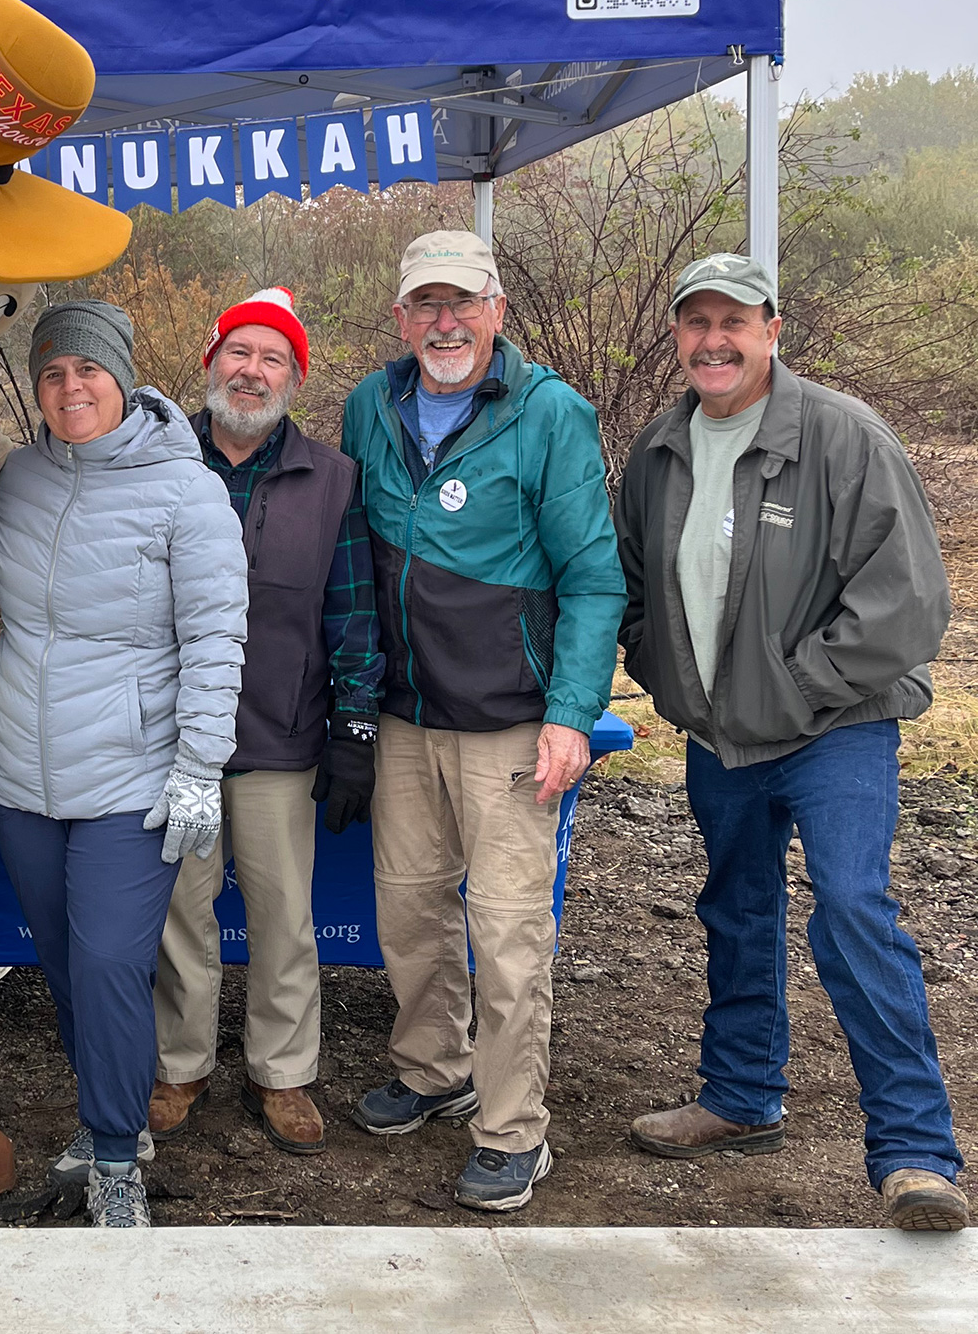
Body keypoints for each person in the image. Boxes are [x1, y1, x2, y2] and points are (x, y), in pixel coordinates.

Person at [616, 254, 967, 1232]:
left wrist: (794, 687)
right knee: (735, 905)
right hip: (717, 736)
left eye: (734, 322)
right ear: (678, 337)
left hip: (833, 727)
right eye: (696, 324)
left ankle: (913, 1156)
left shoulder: (844, 438)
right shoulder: (658, 451)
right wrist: (673, 681)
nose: (713, 341)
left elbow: (907, 604)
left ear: (773, 328)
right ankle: (739, 1098)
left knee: (853, 909)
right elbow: (637, 591)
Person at [340, 230, 624, 1212]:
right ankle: (433, 1071)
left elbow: (591, 578)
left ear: (496, 310)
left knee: (505, 935)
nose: (445, 322)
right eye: (426, 304)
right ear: (400, 318)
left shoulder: (550, 415)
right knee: (410, 916)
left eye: (462, 302)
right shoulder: (368, 408)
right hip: (405, 718)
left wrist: (572, 714)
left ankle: (512, 1131)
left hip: (509, 722)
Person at [0, 300, 247, 1229]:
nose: (69, 388)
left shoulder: (187, 490)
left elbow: (216, 637)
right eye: (52, 373)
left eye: (87, 370)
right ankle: (116, 1125)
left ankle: (112, 1151)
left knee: (107, 964)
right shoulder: (14, 479)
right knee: (64, 966)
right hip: (18, 772)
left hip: (130, 777)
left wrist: (197, 767)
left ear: (123, 376)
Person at [151, 288, 383, 1156]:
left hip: (282, 736)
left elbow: (354, 616)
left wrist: (354, 727)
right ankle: (180, 1063)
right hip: (174, 740)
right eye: (238, 353)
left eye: (271, 357)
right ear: (211, 363)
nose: (251, 371)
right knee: (182, 909)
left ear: (294, 378)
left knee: (285, 915)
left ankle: (282, 1072)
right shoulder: (160, 464)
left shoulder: (333, 481)